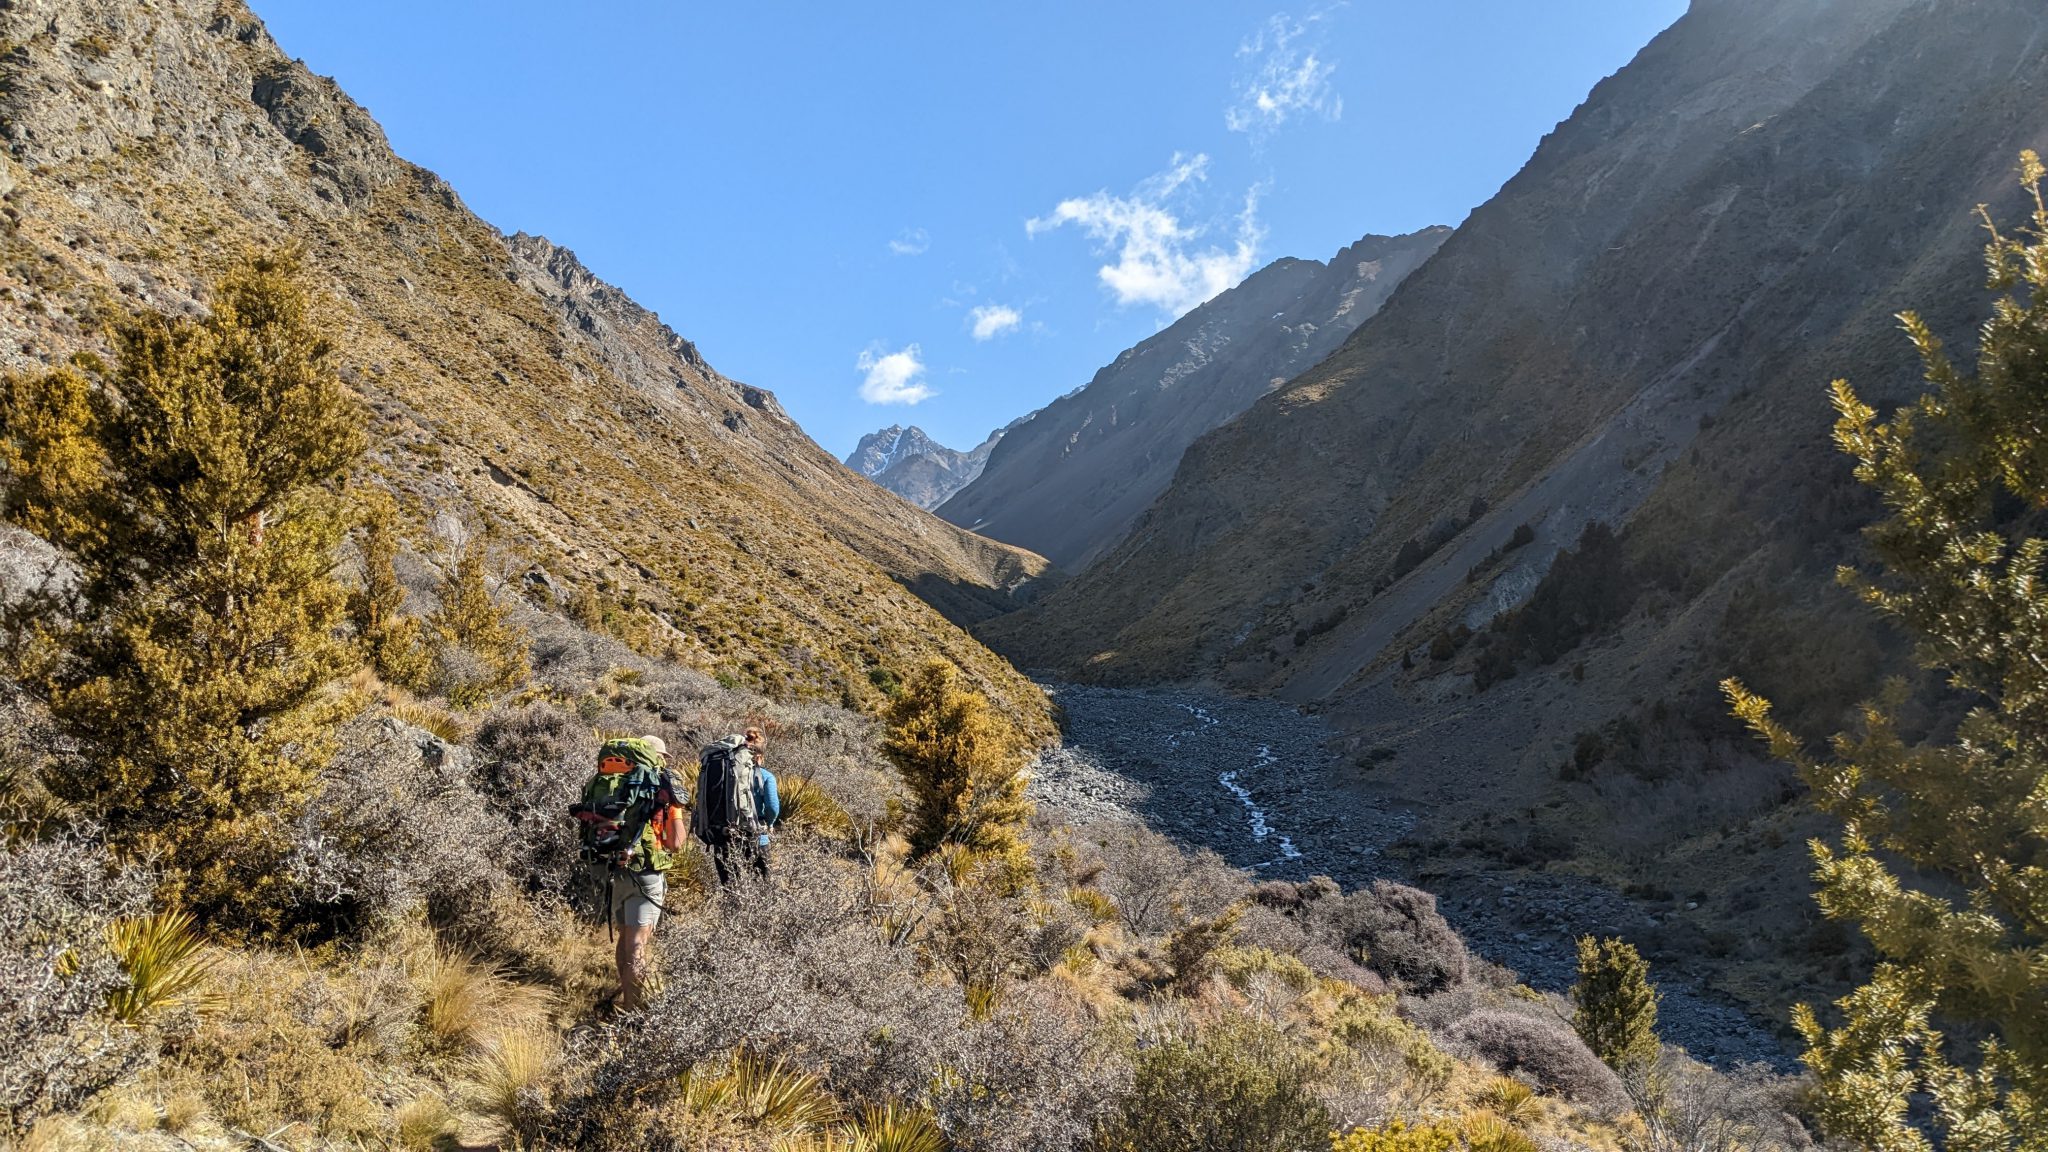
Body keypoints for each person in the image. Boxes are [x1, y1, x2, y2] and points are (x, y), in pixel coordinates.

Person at [572, 734, 681, 1013]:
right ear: (656, 758)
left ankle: (626, 999)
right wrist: (676, 813)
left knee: (625, 938)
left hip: (611, 868)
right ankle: (634, 1012)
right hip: (645, 871)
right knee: (637, 944)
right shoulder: (660, 789)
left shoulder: (606, 782)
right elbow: (675, 843)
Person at [693, 725, 780, 887]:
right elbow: (772, 807)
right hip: (756, 838)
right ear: (759, 755)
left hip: (721, 836)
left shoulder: (721, 769)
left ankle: (733, 912)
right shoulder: (766, 776)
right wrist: (769, 823)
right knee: (762, 890)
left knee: (731, 889)